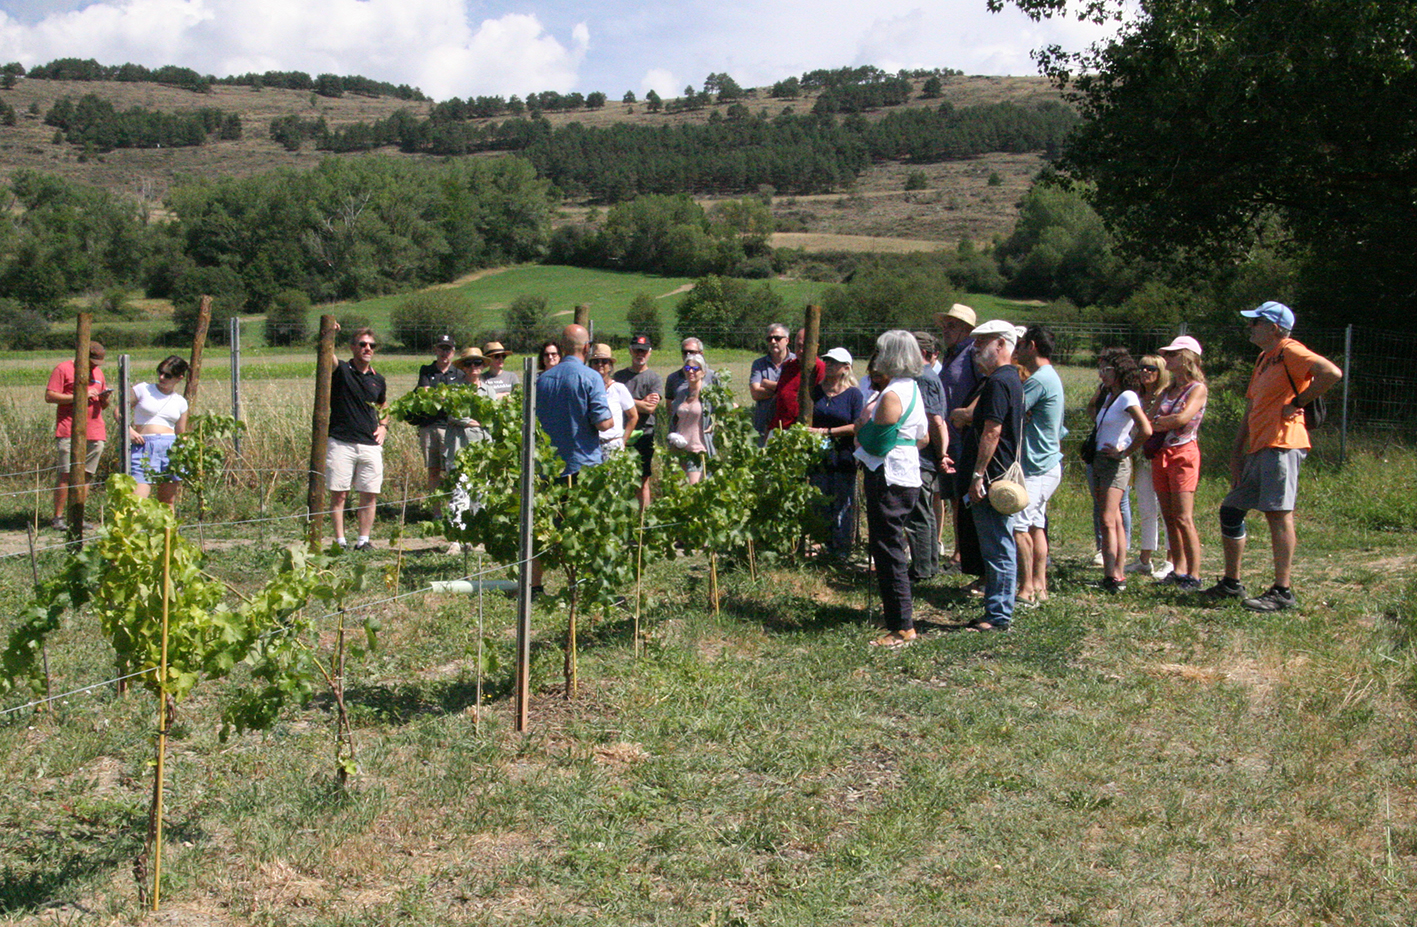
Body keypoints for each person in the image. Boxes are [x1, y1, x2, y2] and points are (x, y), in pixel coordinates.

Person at [1201, 301, 1342, 611]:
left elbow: (1331, 373)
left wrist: (1299, 402)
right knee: (1231, 509)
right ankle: (1231, 583)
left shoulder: (1291, 350)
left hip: (1283, 443)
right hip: (1260, 447)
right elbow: (1251, 407)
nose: (1250, 327)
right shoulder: (1265, 358)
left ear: (1274, 328)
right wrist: (1236, 451)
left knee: (1278, 513)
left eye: (1256, 322)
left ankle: (1282, 591)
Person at [855, 331, 928, 647]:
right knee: (892, 546)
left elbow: (875, 439)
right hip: (908, 472)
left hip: (888, 475)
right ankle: (899, 618)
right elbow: (923, 437)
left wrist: (861, 427)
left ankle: (901, 626)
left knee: (888, 550)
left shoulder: (891, 395)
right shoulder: (912, 389)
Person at [961, 320, 1028, 630]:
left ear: (1002, 345)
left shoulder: (999, 382)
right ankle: (997, 609)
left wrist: (978, 475)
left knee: (998, 545)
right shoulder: (1010, 379)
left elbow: (993, 430)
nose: (976, 349)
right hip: (999, 472)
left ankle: (999, 614)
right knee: (998, 542)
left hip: (993, 476)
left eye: (982, 342)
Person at [1091, 348, 1152, 593]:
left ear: (1120, 371)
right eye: (1101, 369)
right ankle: (1115, 572)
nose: (1102, 374)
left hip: (1115, 464)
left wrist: (1124, 452)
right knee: (1113, 518)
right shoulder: (1110, 396)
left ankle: (1114, 576)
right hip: (1099, 460)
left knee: (1107, 519)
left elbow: (1145, 429)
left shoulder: (1128, 396)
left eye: (1107, 370)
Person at [1151, 336, 1209, 591]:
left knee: (1184, 517)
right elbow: (1151, 417)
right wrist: (1166, 420)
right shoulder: (1167, 390)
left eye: (1173, 355)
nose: (1167, 359)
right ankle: (1179, 569)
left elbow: (1182, 419)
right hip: (1161, 454)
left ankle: (1194, 574)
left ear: (1187, 358)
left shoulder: (1197, 388)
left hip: (1184, 453)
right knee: (1169, 517)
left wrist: (1165, 421)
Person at [1013, 325, 1065, 606]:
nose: (1016, 351)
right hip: (1045, 465)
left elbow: (1010, 409)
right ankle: (1039, 586)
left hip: (1036, 467)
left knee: (1019, 526)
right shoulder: (1049, 377)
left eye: (1019, 345)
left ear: (1031, 346)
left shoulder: (1038, 380)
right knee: (1035, 526)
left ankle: (1025, 588)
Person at [326, 328, 388, 551]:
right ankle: (340, 541)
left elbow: (383, 404)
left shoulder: (378, 379)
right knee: (339, 493)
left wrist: (383, 426)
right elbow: (326, 354)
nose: (367, 349)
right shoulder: (341, 370)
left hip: (370, 445)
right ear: (352, 347)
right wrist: (329, 333)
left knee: (369, 494)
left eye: (371, 345)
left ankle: (363, 540)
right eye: (362, 344)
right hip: (341, 441)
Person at [534, 324, 614, 477]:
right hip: (583, 465)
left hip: (550, 467)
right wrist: (611, 420)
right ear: (586, 348)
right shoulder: (591, 377)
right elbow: (602, 424)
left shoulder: (543, 379)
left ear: (562, 348)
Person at [46, 341, 111, 531]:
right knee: (66, 473)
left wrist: (104, 399)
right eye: (92, 361)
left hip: (95, 430)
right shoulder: (63, 369)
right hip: (69, 430)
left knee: (86, 475)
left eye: (97, 362)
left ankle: (77, 516)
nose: (94, 366)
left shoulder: (98, 373)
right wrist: (80, 394)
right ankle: (58, 517)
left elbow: (102, 404)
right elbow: (50, 396)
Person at [807, 347, 864, 559]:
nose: (829, 365)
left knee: (843, 499)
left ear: (846, 368)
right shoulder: (816, 392)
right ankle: (821, 542)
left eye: (834, 362)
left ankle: (841, 547)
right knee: (819, 497)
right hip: (820, 454)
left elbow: (856, 425)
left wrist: (826, 432)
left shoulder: (853, 395)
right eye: (827, 361)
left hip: (844, 454)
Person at [443, 346, 497, 556]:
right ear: (463, 367)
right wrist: (471, 421)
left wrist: (478, 422)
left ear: (483, 365)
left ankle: (476, 539)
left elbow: (492, 418)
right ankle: (456, 539)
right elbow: (453, 415)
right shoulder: (455, 390)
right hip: (459, 450)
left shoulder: (489, 391)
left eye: (477, 363)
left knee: (480, 496)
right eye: (468, 363)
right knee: (459, 495)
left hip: (483, 452)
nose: (473, 367)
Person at [905, 331, 948, 583]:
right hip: (928, 456)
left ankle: (921, 568)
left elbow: (934, 419)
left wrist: (939, 452)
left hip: (922, 456)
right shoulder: (928, 377)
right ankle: (929, 564)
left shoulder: (922, 378)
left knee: (918, 513)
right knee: (926, 512)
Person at [939, 303, 979, 569]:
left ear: (966, 329)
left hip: (965, 435)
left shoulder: (973, 353)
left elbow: (985, 387)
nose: (946, 330)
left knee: (964, 496)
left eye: (951, 325)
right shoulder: (952, 354)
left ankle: (964, 553)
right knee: (954, 496)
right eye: (945, 325)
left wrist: (968, 413)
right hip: (950, 436)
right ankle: (959, 550)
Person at [1128, 353, 1173, 579]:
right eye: (1142, 368)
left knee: (1166, 510)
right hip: (1140, 457)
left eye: (1151, 369)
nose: (1145, 372)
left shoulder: (1164, 397)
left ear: (1161, 372)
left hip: (1159, 456)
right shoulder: (1136, 397)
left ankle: (1170, 559)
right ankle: (1145, 559)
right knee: (1146, 508)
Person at [129, 355, 190, 507]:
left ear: (179, 378)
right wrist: (128, 431)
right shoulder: (142, 389)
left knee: (167, 501)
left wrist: (184, 453)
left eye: (168, 375)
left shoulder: (180, 402)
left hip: (170, 448)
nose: (161, 377)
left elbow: (181, 432)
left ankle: (168, 530)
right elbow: (119, 412)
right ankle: (134, 530)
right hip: (144, 444)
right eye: (160, 372)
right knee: (137, 500)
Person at [414, 334, 465, 509]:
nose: (445, 353)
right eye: (442, 348)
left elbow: (457, 400)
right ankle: (436, 511)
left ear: (453, 352)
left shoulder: (459, 374)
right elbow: (425, 394)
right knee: (433, 471)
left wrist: (437, 397)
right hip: (428, 427)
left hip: (451, 428)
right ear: (436, 350)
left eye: (448, 349)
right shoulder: (426, 370)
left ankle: (454, 510)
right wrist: (447, 397)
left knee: (453, 471)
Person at [614, 335, 664, 509]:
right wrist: (640, 402)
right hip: (620, 434)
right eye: (637, 350)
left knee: (643, 479)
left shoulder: (654, 379)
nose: (640, 354)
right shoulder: (619, 376)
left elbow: (650, 408)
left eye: (643, 350)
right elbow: (612, 401)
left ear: (649, 352)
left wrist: (624, 401)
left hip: (644, 433)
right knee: (618, 479)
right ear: (630, 351)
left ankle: (642, 520)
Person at [668, 352, 715, 483]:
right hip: (678, 450)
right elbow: (674, 419)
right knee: (678, 494)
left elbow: (728, 408)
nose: (691, 372)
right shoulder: (681, 394)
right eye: (687, 368)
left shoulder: (709, 396)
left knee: (693, 492)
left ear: (703, 372)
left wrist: (715, 423)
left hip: (698, 451)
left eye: (695, 369)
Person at [768, 328, 825, 431]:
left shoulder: (819, 369)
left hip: (801, 431)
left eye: (805, 347)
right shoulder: (788, 366)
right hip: (779, 428)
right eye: (798, 346)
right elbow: (779, 399)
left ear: (816, 347)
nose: (801, 351)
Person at [590, 343, 638, 454]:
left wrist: (623, 441)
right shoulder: (587, 389)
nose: (600, 364)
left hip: (612, 444)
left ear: (610, 365)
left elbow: (633, 416)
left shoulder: (618, 388)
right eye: (596, 362)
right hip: (591, 445)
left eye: (604, 361)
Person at [750, 323, 792, 438]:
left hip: (790, 428)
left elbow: (798, 392)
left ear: (787, 340)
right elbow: (755, 393)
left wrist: (767, 383)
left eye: (777, 338)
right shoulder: (759, 364)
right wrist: (786, 391)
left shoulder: (796, 362)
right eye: (769, 339)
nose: (773, 341)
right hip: (763, 427)